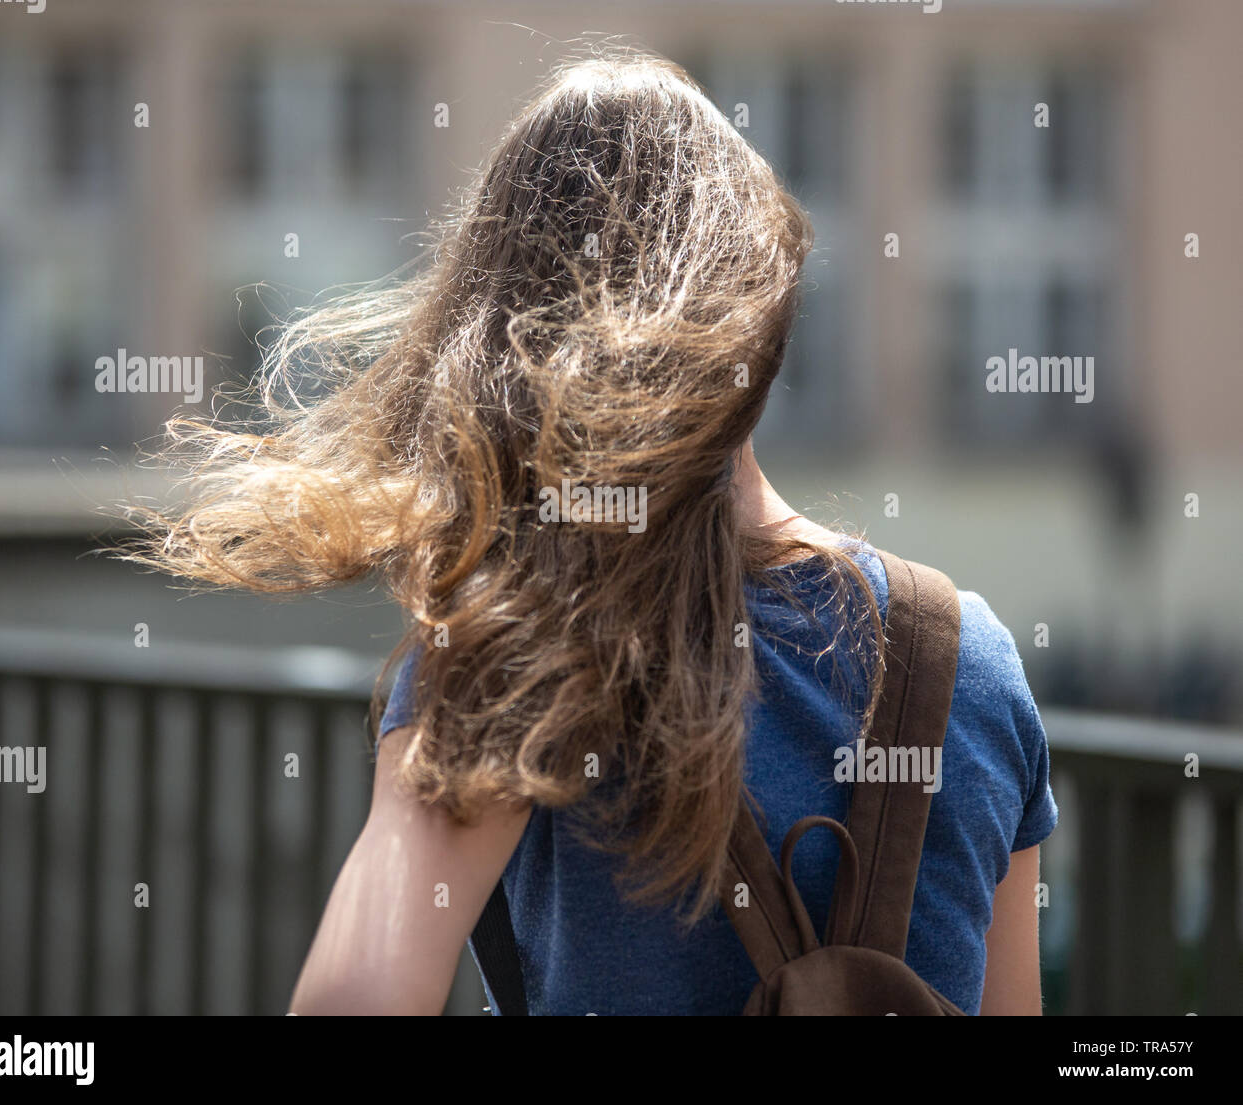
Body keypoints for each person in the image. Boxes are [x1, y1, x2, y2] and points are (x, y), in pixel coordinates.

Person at [132, 50, 1057, 1015]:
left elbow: (352, 1002)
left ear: (493, 334)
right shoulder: (971, 662)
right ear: (762, 316)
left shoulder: (514, 654)